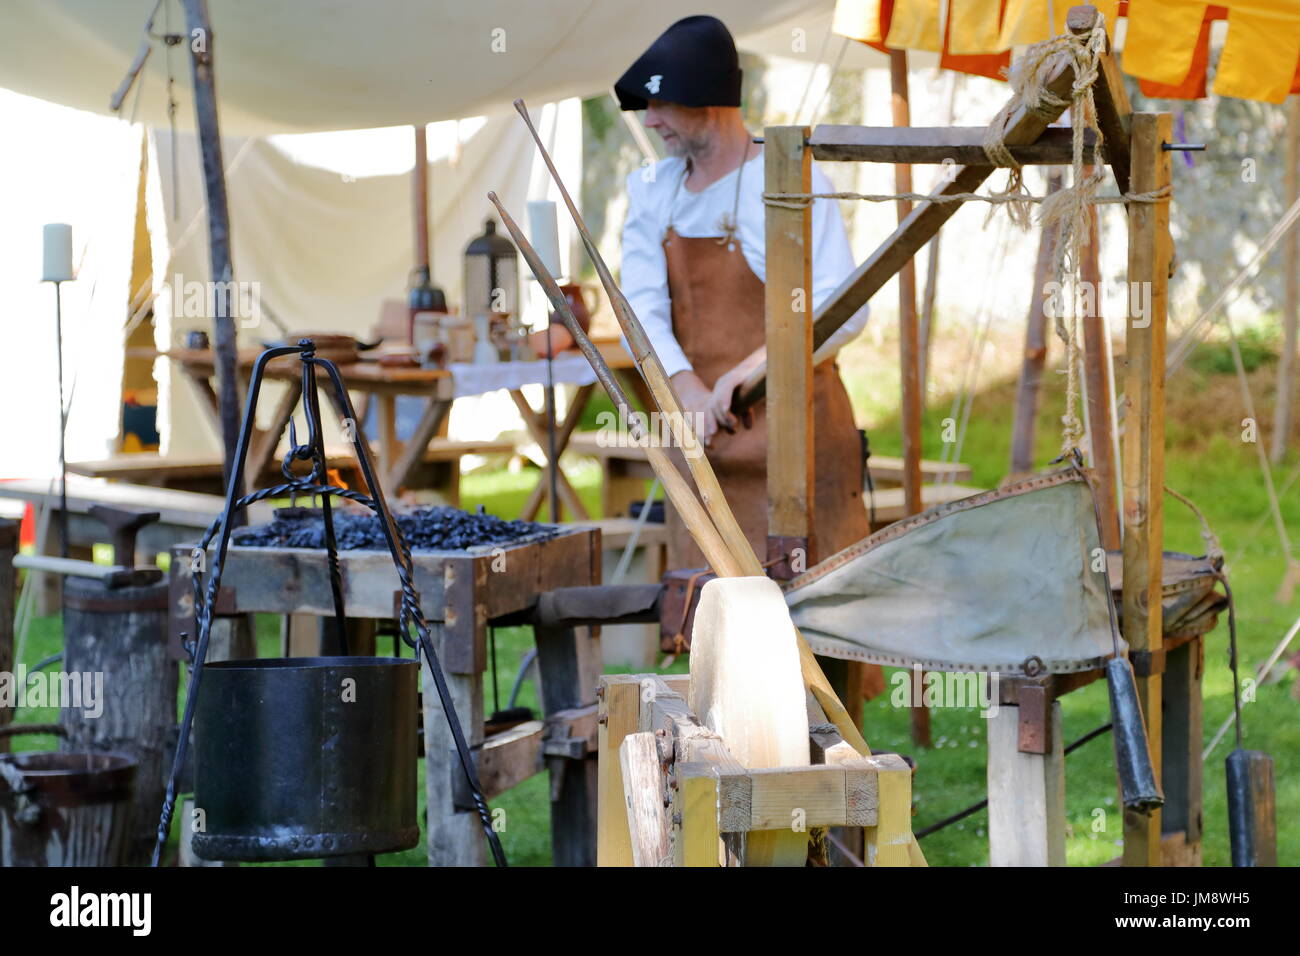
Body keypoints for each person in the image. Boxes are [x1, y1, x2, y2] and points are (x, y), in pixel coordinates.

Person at [615, 15, 871, 570]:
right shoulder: (654, 191)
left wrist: (750, 372)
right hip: (705, 449)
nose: (651, 120)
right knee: (716, 621)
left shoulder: (788, 177)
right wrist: (686, 389)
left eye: (662, 105)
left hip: (800, 444)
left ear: (706, 98)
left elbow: (844, 307)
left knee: (819, 626)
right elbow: (640, 309)